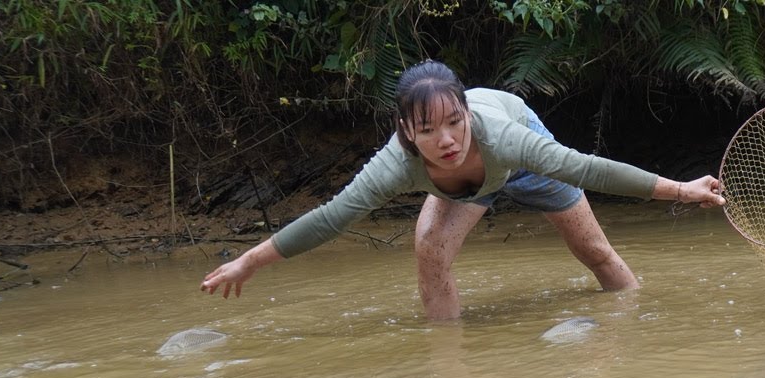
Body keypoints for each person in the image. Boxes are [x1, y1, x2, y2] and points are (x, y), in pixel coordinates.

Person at [200, 60, 725, 320]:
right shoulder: (396, 164)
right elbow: (333, 217)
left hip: (512, 159)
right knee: (430, 247)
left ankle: (632, 324)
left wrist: (682, 190)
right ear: (407, 132)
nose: (446, 140)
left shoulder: (508, 137)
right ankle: (447, 360)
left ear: (467, 113)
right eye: (428, 130)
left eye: (454, 123)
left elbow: (588, 169)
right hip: (463, 188)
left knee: (593, 250)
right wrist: (250, 260)